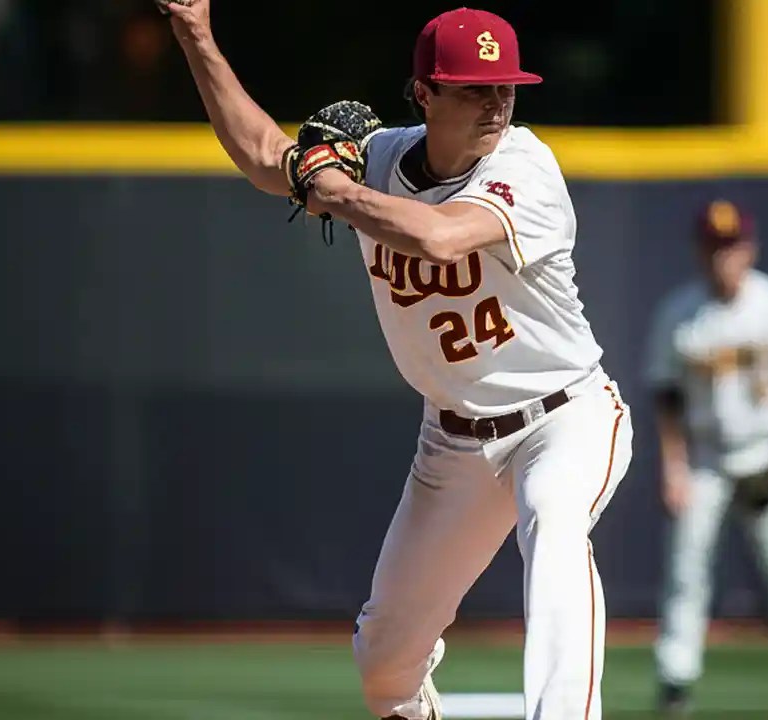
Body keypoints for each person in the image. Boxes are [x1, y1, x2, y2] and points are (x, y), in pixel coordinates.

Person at [158, 2, 634, 719]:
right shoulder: (380, 159)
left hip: (563, 418)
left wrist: (336, 193)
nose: (496, 102)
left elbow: (440, 238)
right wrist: (196, 35)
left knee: (556, 527)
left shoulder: (526, 167)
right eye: (475, 87)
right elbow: (263, 154)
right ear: (425, 93)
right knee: (385, 664)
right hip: (453, 439)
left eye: (506, 85)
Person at [644, 199, 768, 714]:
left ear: (749, 249)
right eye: (713, 246)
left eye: (730, 246)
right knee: (686, 570)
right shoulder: (679, 312)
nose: (721, 257)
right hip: (707, 456)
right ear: (698, 250)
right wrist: (674, 467)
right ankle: (676, 674)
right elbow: (666, 397)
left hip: (766, 453)